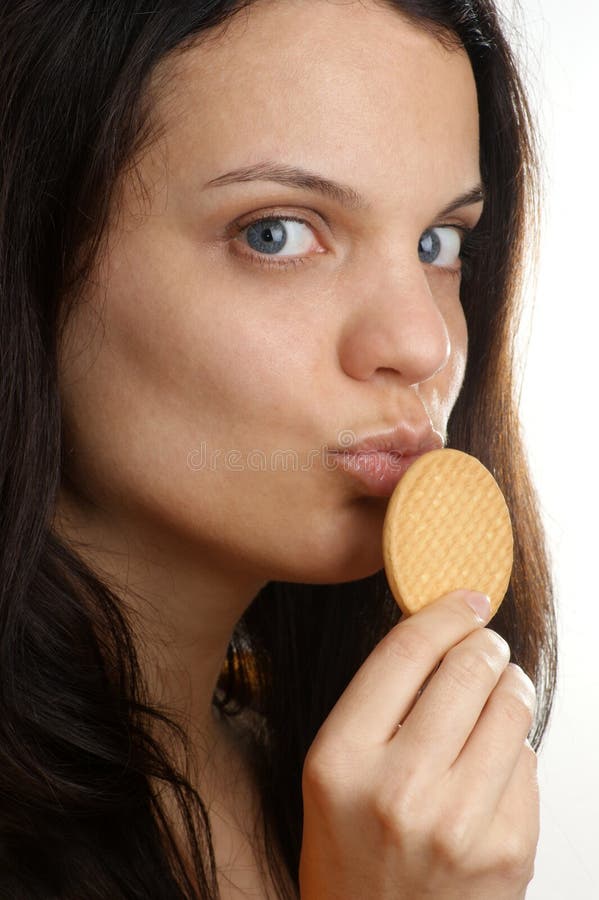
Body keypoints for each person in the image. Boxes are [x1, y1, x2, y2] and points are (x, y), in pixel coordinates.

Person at [0, 0, 558, 897]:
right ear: (30, 253)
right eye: (277, 233)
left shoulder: (339, 780)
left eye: (437, 243)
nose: (422, 342)